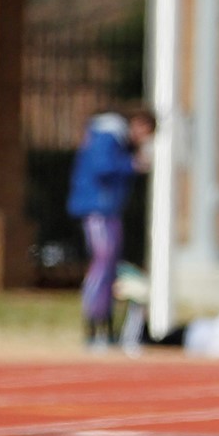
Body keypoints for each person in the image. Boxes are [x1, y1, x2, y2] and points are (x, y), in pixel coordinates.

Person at [66, 106, 155, 351]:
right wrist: (132, 164)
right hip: (98, 208)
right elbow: (102, 167)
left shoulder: (115, 138)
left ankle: (105, 324)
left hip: (109, 209)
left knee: (109, 268)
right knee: (102, 263)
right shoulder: (108, 133)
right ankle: (93, 324)